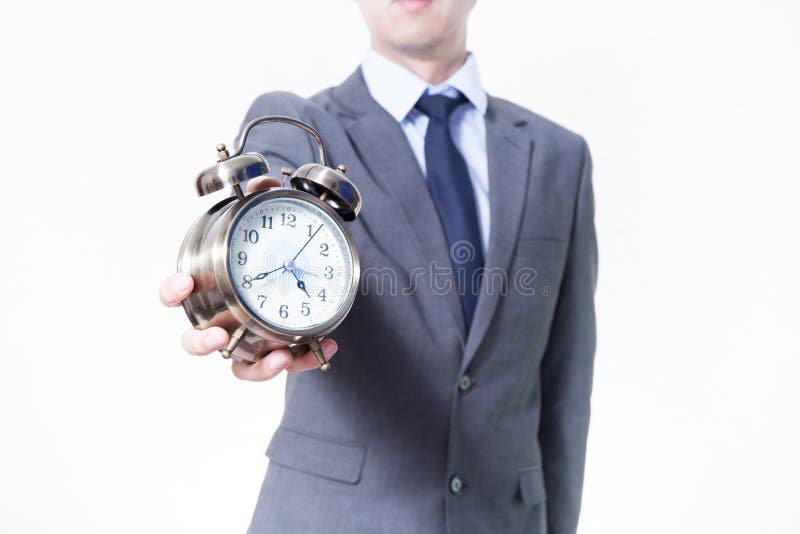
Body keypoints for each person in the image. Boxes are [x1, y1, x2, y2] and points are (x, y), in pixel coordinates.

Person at [159, 1, 597, 532]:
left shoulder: (559, 155)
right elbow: (268, 192)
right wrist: (244, 312)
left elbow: (565, 384)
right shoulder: (300, 126)